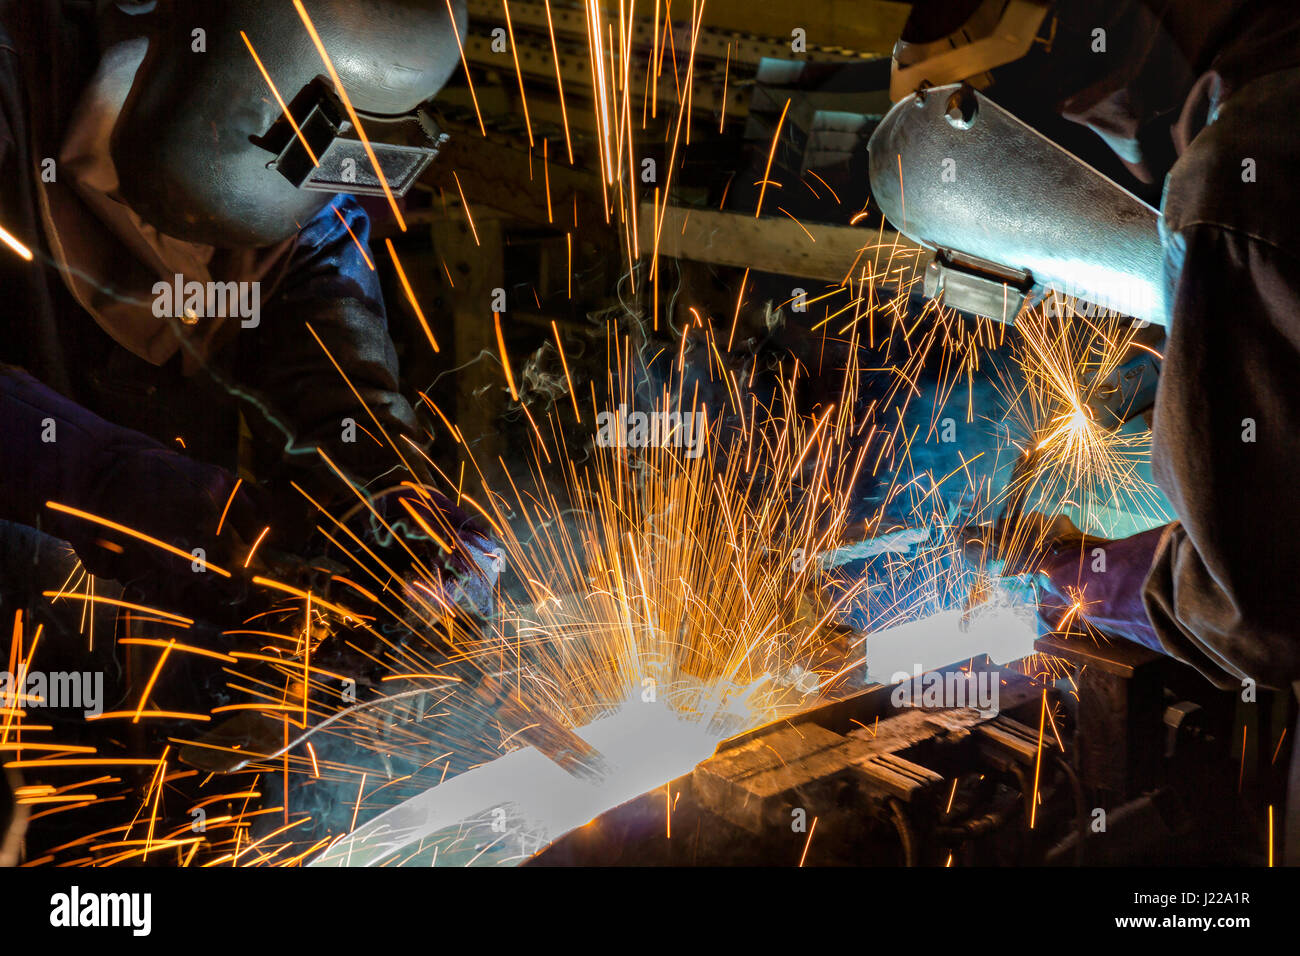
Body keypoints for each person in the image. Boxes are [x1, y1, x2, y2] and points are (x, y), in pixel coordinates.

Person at [0, 0, 500, 620]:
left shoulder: (303, 122)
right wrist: (136, 490)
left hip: (160, 582)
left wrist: (387, 492)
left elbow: (323, 311)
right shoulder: (20, 72)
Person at [888, 0, 1300, 693]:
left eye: (1078, 98)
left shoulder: (1235, 181)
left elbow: (1252, 609)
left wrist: (1070, 581)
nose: (1089, 119)